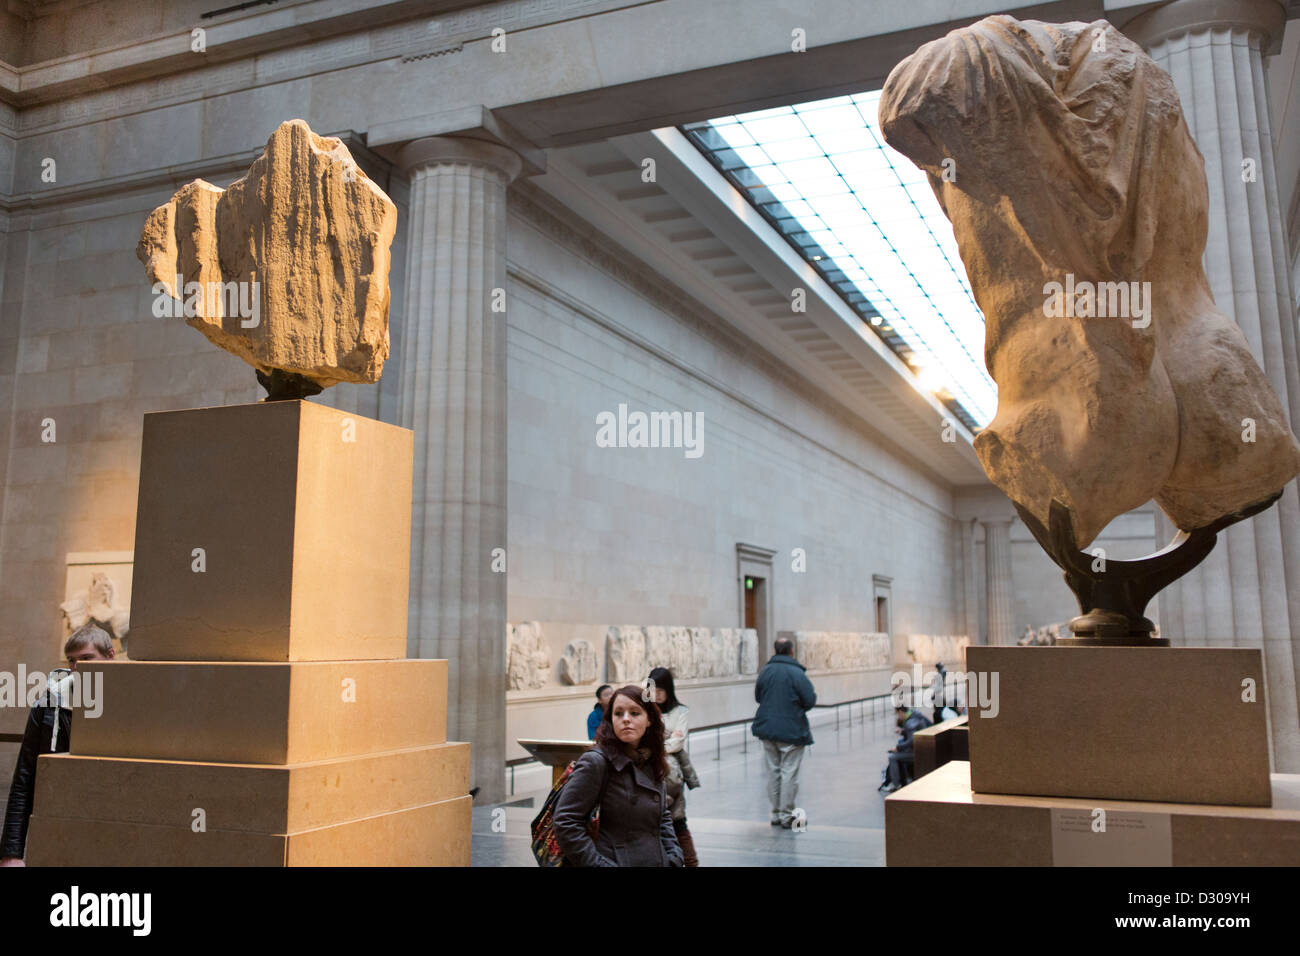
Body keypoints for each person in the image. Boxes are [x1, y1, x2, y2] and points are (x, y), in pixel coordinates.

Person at [2, 624, 116, 866]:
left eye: (87, 658)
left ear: (110, 656)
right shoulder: (48, 705)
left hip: (111, 828)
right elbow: (24, 778)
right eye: (72, 661)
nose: (77, 667)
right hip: (56, 823)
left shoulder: (129, 703)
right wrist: (11, 853)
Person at [552, 684, 683, 867]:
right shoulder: (596, 762)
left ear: (649, 719)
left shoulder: (650, 760)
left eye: (635, 713)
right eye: (618, 713)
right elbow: (566, 821)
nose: (626, 719)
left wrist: (674, 855)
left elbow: (662, 816)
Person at [751, 638, 816, 828]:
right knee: (789, 772)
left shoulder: (766, 671)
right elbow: (809, 700)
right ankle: (787, 815)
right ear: (791, 651)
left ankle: (776, 813)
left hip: (768, 728)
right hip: (792, 730)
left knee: (773, 772)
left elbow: (758, 696)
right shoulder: (797, 673)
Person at [649, 666, 701, 866]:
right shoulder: (644, 710)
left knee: (678, 821)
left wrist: (655, 746)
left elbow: (677, 742)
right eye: (655, 689)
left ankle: (690, 862)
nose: (658, 694)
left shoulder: (680, 711)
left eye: (662, 689)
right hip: (648, 771)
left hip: (670, 773)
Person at [879, 704, 933, 794]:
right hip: (923, 748)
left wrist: (898, 748)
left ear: (900, 712)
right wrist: (903, 731)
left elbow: (911, 741)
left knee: (892, 757)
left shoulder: (910, 722)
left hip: (918, 752)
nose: (898, 717)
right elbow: (914, 733)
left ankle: (896, 785)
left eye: (897, 714)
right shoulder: (914, 715)